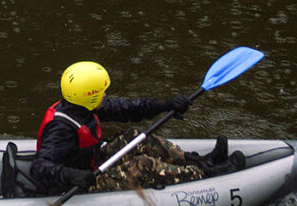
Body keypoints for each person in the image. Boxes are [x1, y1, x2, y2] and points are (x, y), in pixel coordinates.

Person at [28, 60, 244, 196]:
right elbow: (38, 168)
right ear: (89, 96)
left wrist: (165, 105)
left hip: (89, 166)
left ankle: (198, 160)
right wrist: (71, 175)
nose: (104, 95)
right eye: (100, 92)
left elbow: (127, 109)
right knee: (143, 165)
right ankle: (206, 175)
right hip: (76, 186)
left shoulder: (81, 106)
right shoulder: (61, 129)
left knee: (135, 137)